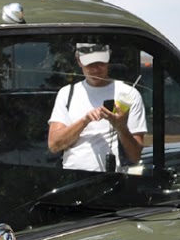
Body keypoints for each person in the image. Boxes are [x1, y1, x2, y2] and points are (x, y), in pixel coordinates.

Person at [47, 42, 148, 171]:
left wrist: (121, 126)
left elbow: (135, 156)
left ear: (108, 59)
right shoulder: (67, 94)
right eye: (89, 64)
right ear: (79, 61)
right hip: (73, 179)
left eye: (100, 62)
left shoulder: (128, 95)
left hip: (113, 178)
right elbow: (54, 145)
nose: (95, 69)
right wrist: (85, 121)